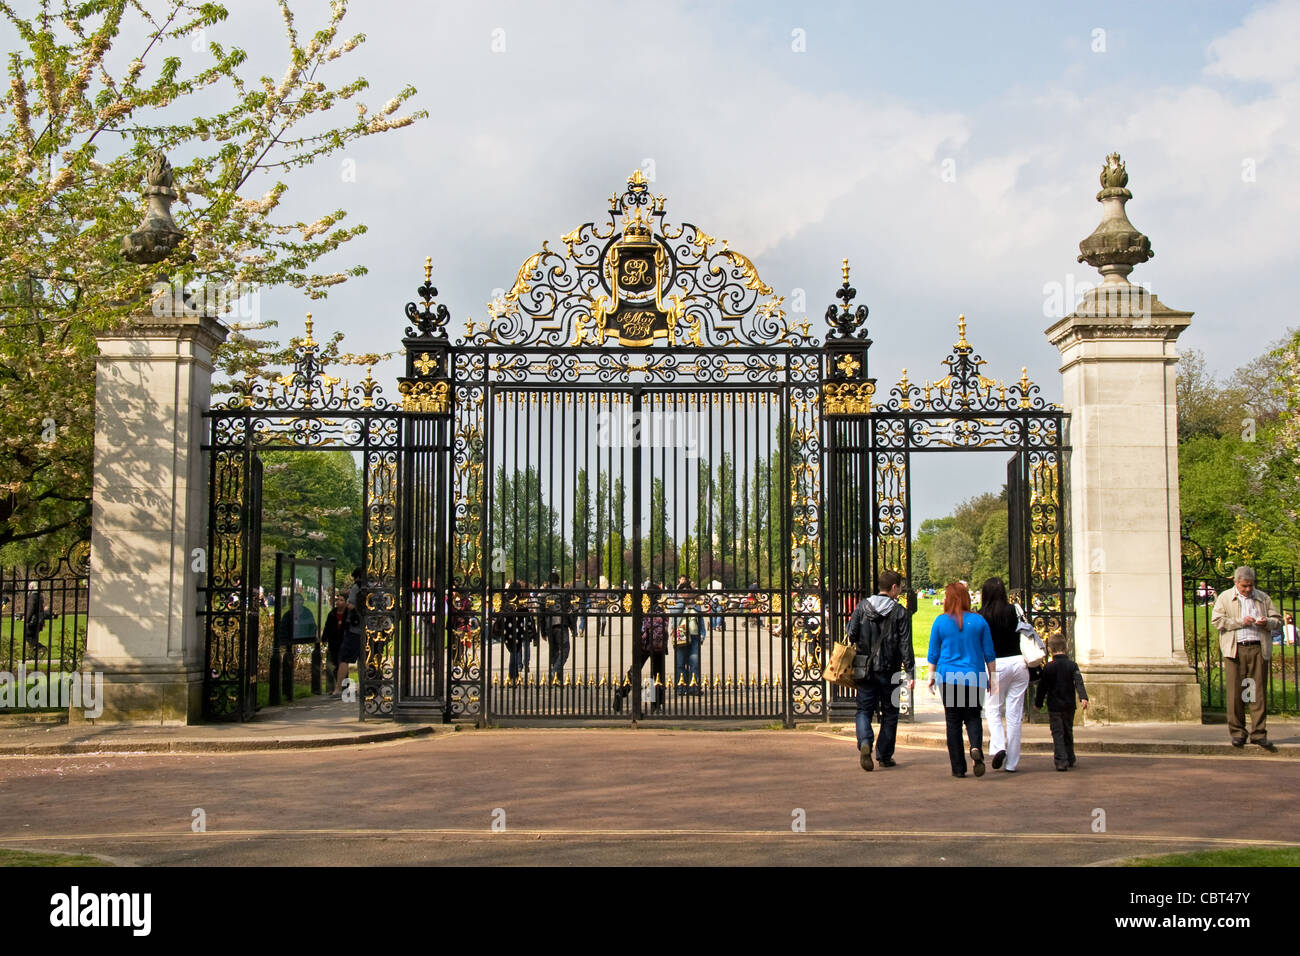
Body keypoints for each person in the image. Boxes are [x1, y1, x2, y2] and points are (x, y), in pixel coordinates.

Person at [846, 570, 914, 771]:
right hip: (890, 670)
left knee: (864, 710)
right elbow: (905, 645)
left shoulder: (862, 606)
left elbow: (851, 634)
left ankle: (865, 740)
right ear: (893, 587)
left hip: (864, 668)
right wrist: (910, 671)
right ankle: (884, 755)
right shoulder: (900, 612)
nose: (900, 591)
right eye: (900, 587)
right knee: (890, 713)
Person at [927, 582, 995, 778]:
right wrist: (994, 678)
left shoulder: (940, 622)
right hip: (974, 675)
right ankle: (975, 748)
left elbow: (933, 654)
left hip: (948, 676)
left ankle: (958, 767)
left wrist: (930, 677)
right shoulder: (979, 621)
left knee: (953, 722)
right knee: (973, 717)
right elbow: (989, 653)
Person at [1212, 566, 1282, 751]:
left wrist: (1267, 622)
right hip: (1235, 650)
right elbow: (1217, 621)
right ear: (1236, 583)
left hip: (1258, 648)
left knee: (1257, 692)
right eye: (1244, 586)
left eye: (1250, 585)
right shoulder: (1225, 598)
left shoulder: (1262, 598)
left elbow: (1278, 620)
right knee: (1236, 693)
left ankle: (1259, 733)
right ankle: (1238, 733)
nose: (1248, 589)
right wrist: (1241, 621)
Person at [979, 577, 1030, 773]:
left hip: (995, 666)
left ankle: (999, 745)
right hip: (1018, 663)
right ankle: (1012, 763)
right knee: (1014, 715)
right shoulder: (1014, 610)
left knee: (993, 708)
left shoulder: (982, 614)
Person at [1034, 633, 1089, 770]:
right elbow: (1079, 682)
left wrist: (1038, 703)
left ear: (1050, 650)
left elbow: (1042, 688)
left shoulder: (1048, 667)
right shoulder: (1072, 665)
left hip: (1055, 706)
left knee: (1057, 733)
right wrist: (1083, 697)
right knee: (1068, 730)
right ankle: (1070, 757)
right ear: (1066, 647)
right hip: (1069, 705)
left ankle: (1061, 760)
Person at [614, 583, 668, 713]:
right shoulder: (660, 610)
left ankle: (621, 692)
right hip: (658, 646)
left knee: (635, 670)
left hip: (642, 644)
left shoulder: (641, 609)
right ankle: (656, 704)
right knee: (658, 674)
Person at [502, 580, 538, 682]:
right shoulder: (519, 600)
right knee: (516, 649)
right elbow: (525, 613)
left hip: (507, 627)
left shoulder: (506, 599)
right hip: (518, 627)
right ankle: (513, 673)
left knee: (513, 650)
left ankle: (515, 672)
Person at [541, 570, 574, 680]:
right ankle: (555, 671)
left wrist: (542, 631)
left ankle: (555, 676)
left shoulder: (544, 593)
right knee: (565, 649)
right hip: (561, 623)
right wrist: (572, 626)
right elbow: (568, 610)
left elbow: (541, 613)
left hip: (549, 624)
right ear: (558, 580)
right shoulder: (563, 592)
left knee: (554, 650)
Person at [673, 576, 704, 694]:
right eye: (683, 592)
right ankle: (681, 687)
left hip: (694, 636)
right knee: (680, 663)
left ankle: (694, 687)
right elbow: (673, 618)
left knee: (694, 663)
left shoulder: (696, 604)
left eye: (688, 592)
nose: (686, 594)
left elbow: (700, 621)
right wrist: (682, 602)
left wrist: (702, 635)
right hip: (680, 636)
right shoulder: (676, 604)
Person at [320, 592, 350, 693]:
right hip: (334, 642)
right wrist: (324, 638)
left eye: (341, 600)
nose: (338, 602)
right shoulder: (332, 613)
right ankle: (338, 685)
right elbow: (327, 626)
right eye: (338, 600)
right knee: (335, 663)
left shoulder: (348, 614)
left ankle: (344, 686)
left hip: (344, 641)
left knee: (342, 663)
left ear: (346, 602)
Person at [23, 581, 52, 658]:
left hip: (33, 620)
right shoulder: (39, 597)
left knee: (28, 637)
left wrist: (26, 619)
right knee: (33, 637)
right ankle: (32, 655)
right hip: (39, 619)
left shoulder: (32, 597)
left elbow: (30, 609)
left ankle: (41, 647)